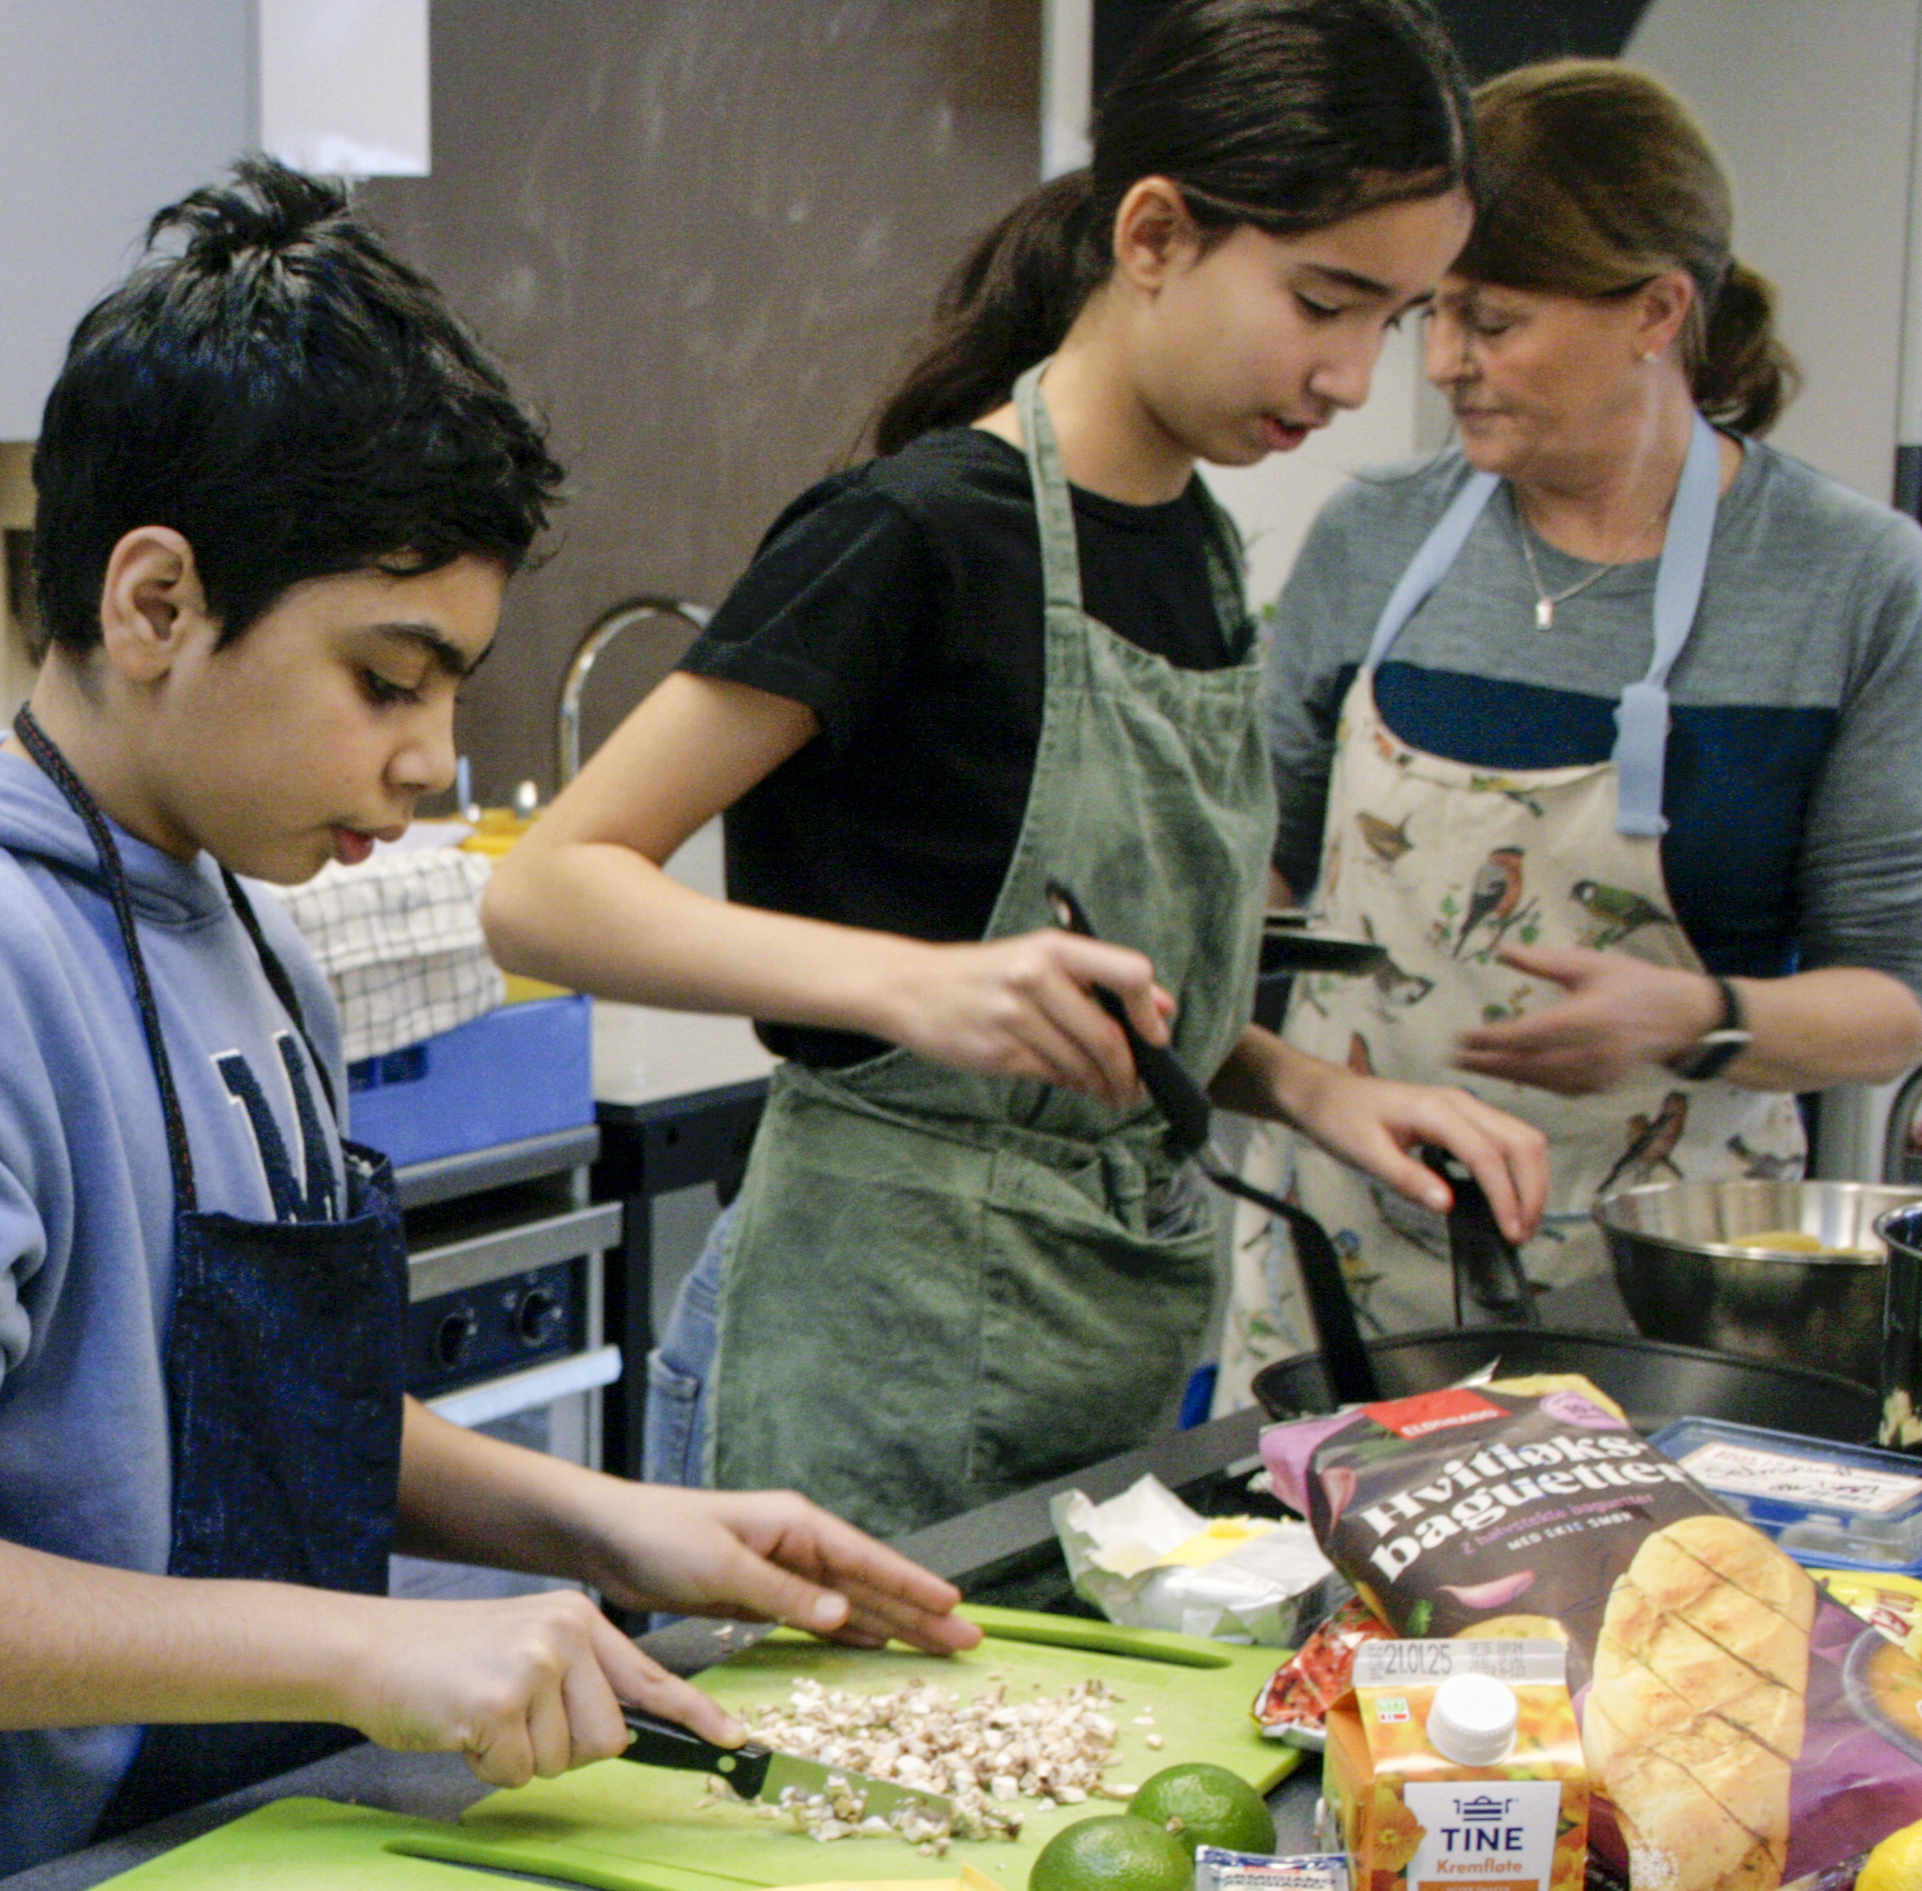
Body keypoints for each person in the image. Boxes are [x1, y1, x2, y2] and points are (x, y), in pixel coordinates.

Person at [0, 161, 977, 1891]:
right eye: (389, 678)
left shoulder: (238, 914)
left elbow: (228, 1421)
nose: (430, 760)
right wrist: (373, 1647)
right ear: (158, 603)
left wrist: (626, 1529)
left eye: (454, 689)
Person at [481, 0, 1549, 1540]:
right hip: (861, 1354)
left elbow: (1118, 998)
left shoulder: (1194, 549)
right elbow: (551, 893)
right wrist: (918, 988)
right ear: (1159, 233)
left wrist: (1314, 1091)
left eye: (1394, 321)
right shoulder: (916, 535)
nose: (1353, 377)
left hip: (1097, 1337)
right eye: (1327, 302)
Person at [1217, 58, 1922, 1382]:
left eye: (1492, 322)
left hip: (1679, 1303)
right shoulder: (1375, 538)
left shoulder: (1855, 580)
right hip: (1350, 1276)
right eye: (1434, 315)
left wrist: (1692, 1017)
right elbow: (1253, 872)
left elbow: (1899, 995)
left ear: (1657, 310)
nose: (1442, 365)